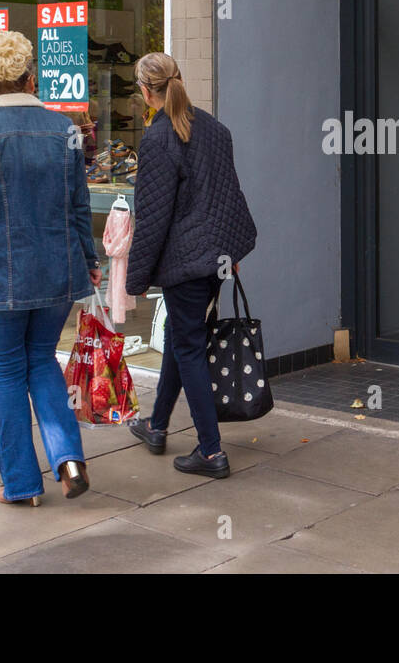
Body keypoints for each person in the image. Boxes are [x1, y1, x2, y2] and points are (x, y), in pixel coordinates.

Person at [0, 30, 100, 507]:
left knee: (7, 374)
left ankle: (22, 484)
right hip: (57, 272)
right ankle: (69, 462)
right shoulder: (64, 128)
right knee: (43, 361)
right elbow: (77, 206)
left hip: (3, 277)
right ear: (32, 77)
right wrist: (89, 261)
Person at [126, 53, 256, 479]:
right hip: (215, 259)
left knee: (187, 346)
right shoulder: (214, 129)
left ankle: (211, 450)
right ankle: (157, 425)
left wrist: (137, 277)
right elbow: (228, 197)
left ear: (147, 92)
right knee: (180, 336)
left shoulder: (158, 138)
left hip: (187, 262)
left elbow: (152, 218)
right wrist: (231, 256)